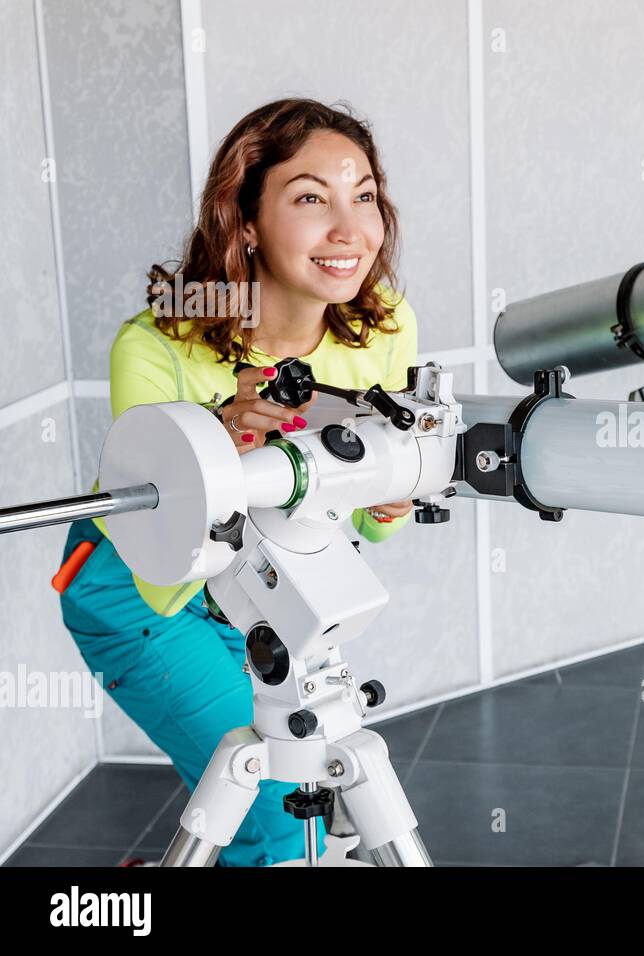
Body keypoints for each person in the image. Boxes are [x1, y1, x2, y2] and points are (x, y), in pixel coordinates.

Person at [56, 98, 419, 866]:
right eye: (311, 197)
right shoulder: (156, 344)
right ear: (245, 220)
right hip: (148, 590)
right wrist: (222, 435)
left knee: (321, 796)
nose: (349, 229)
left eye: (364, 196)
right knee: (272, 816)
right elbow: (162, 557)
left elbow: (378, 522)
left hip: (272, 579)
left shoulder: (385, 324)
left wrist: (391, 495)